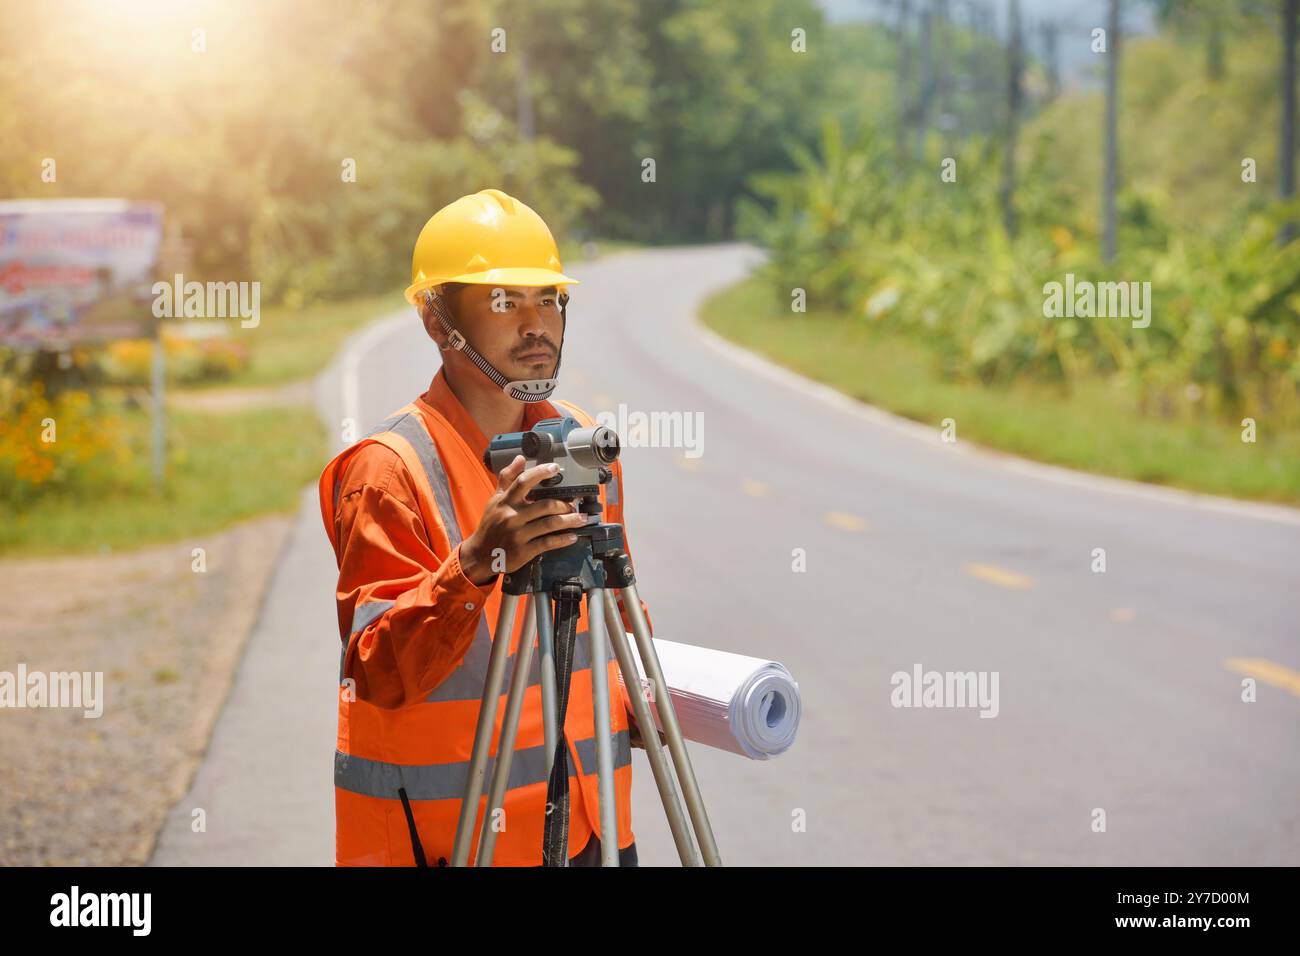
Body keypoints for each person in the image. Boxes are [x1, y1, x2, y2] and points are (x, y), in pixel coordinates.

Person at [318, 188, 656, 867]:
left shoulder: (582, 446)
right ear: (437, 320)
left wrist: (650, 693)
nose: (538, 324)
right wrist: (473, 566)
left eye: (549, 299)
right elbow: (376, 671)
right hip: (457, 842)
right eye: (505, 302)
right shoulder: (388, 471)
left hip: (594, 824)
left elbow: (615, 620)